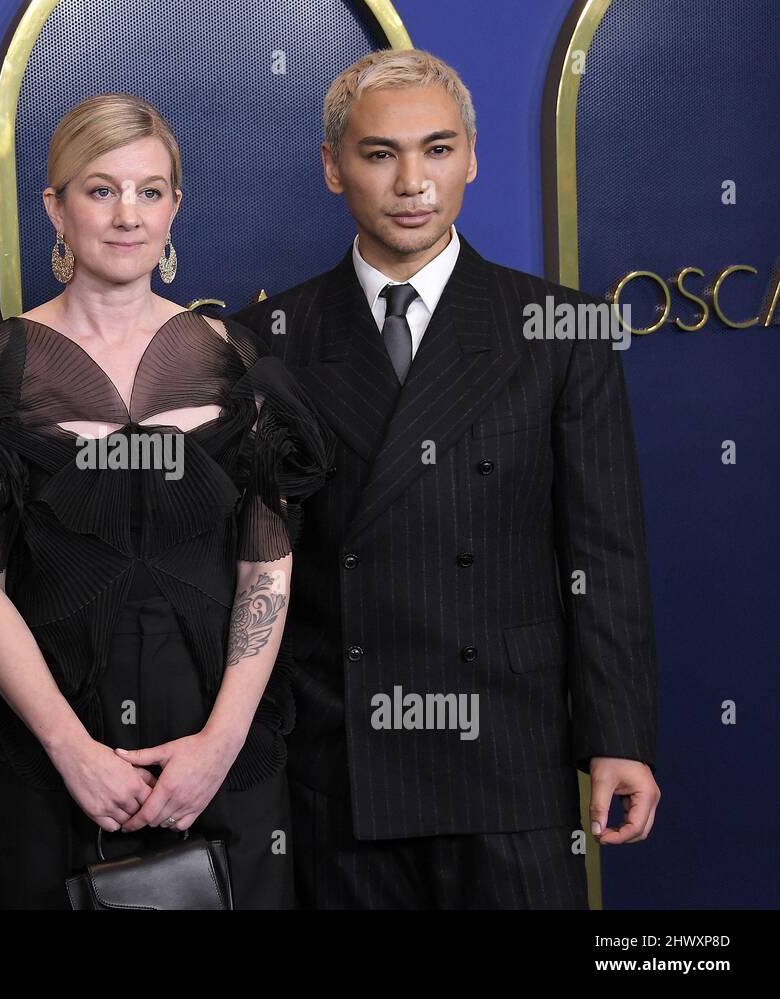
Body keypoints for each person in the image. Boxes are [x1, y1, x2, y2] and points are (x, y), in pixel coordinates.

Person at [233, 49, 660, 909]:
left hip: (511, 757)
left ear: (471, 156)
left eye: (436, 149)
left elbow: (602, 551)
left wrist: (619, 734)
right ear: (332, 166)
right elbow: (250, 569)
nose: (411, 182)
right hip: (340, 757)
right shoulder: (266, 340)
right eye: (380, 153)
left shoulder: (560, 329)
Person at [0, 94, 332, 909]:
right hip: (54, 744)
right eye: (101, 190)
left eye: (151, 190)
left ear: (175, 206)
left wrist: (222, 741)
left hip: (217, 732)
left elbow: (265, 569)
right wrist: (71, 750)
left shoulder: (236, 360)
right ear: (54, 208)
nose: (128, 215)